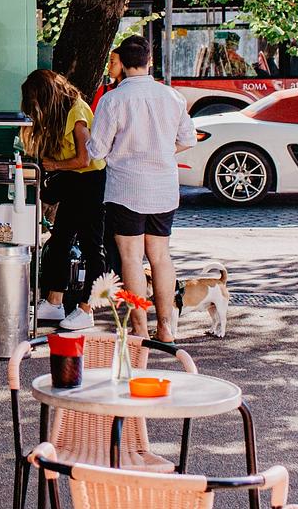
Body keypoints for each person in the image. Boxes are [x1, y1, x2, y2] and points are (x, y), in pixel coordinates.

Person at [86, 34, 197, 341]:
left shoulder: (112, 100)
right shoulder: (172, 97)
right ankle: (166, 327)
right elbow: (188, 140)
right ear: (150, 61)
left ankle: (138, 327)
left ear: (121, 63)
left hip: (126, 189)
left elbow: (96, 150)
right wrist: (160, 153)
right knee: (161, 256)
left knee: (132, 258)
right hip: (163, 189)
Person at [21, 69, 107, 331]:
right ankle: (55, 301)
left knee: (92, 246)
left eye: (37, 101)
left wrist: (55, 165)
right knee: (60, 240)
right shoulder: (61, 113)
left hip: (90, 180)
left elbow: (85, 159)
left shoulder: (77, 113)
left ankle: (87, 308)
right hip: (75, 180)